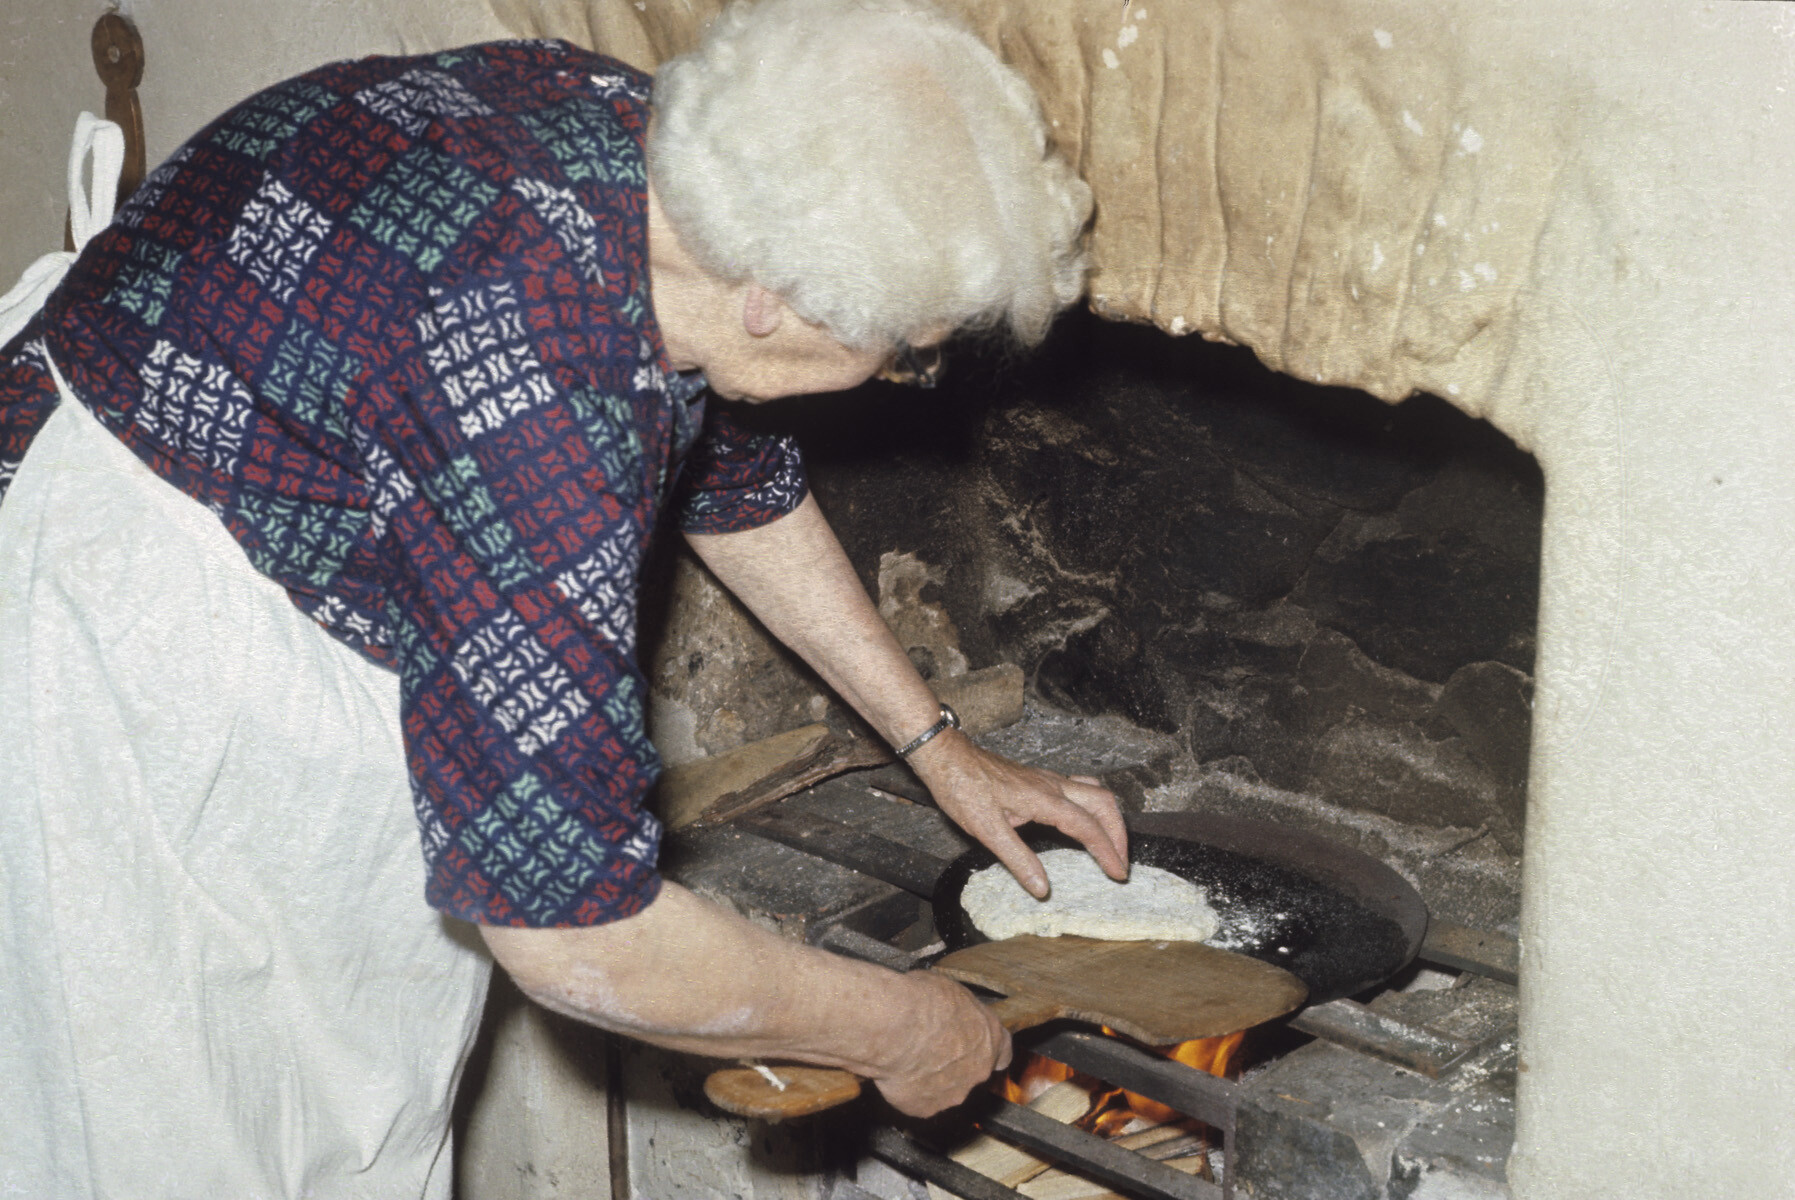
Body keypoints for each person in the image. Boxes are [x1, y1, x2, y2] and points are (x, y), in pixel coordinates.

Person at [0, 0, 1123, 1193]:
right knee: (189, 1122)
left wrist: (936, 745)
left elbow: (731, 474)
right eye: (904, 349)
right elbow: (574, 931)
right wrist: (896, 1027)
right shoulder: (536, 398)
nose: (904, 372)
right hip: (151, 636)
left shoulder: (654, 158)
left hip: (228, 470)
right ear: (773, 302)